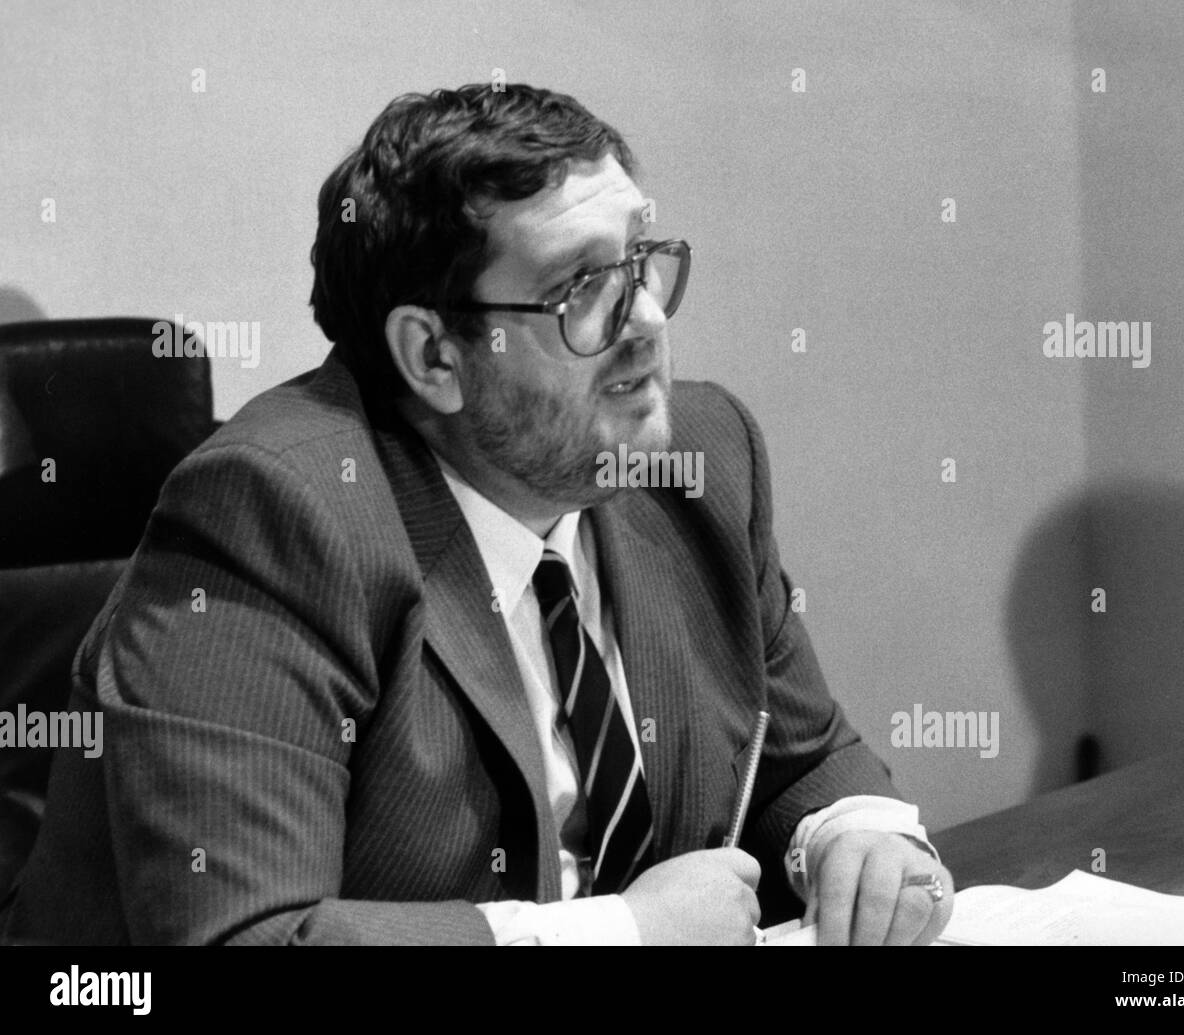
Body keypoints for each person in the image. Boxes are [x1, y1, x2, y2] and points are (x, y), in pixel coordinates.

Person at [1, 83, 954, 945]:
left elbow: (798, 755)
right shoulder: (272, 517)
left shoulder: (696, 459)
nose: (648, 323)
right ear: (434, 357)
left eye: (641, 260)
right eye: (582, 287)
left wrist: (854, 837)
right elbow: (245, 938)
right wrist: (621, 933)